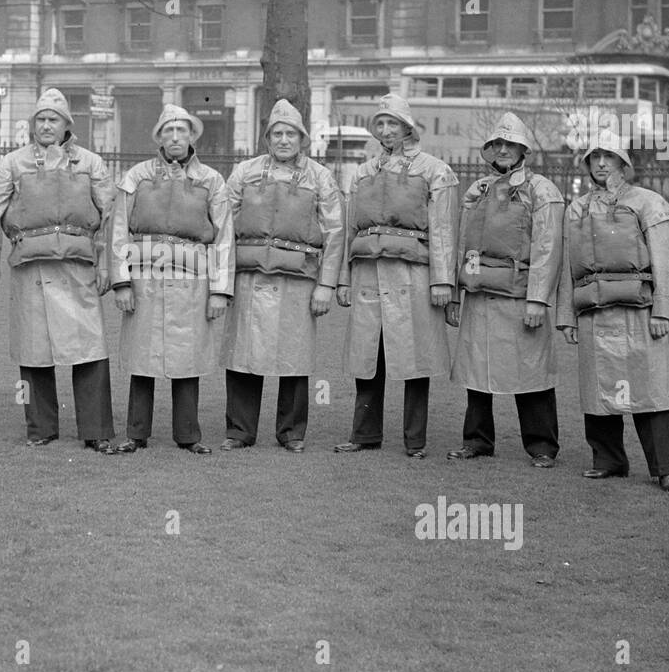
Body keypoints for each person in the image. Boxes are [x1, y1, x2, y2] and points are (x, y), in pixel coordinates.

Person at [0, 88, 118, 453]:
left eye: (53, 119)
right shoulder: (12, 163)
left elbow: (109, 219)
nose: (45, 125)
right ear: (31, 125)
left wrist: (107, 265)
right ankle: (40, 426)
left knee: (90, 348)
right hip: (31, 269)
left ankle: (96, 428)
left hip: (78, 268)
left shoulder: (90, 163)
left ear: (66, 125)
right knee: (33, 349)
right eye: (40, 119)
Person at [557, 128, 669, 492]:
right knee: (598, 391)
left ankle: (665, 469)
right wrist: (566, 316)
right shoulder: (577, 208)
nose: (600, 163)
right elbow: (569, 267)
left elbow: (667, 260)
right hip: (593, 312)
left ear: (623, 162)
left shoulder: (648, 202)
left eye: (608, 156)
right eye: (594, 157)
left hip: (639, 310)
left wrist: (663, 310)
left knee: (651, 390)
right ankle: (608, 460)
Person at [334, 94, 457, 457]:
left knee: (414, 360)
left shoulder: (435, 170)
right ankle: (364, 435)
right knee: (368, 360)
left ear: (407, 126)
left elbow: (444, 230)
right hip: (369, 276)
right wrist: (343, 278)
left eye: (393, 123)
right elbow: (348, 229)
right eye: (380, 124)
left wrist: (442, 281)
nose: (386, 131)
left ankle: (414, 440)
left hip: (412, 278)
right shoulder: (363, 172)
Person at [220, 99, 343, 454]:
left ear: (302, 138)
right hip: (250, 276)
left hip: (298, 279)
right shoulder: (245, 172)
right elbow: (224, 225)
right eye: (277, 133)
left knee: (294, 356)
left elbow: (335, 233)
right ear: (267, 137)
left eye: (291, 133)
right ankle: (240, 430)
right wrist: (222, 281)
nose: (284, 140)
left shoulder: (320, 176)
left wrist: (326, 285)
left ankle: (291, 432)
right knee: (243, 353)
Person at [111, 104, 233, 454]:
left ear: (192, 136)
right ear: (159, 137)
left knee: (187, 358)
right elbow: (119, 230)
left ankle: (188, 436)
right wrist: (121, 282)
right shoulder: (136, 177)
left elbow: (224, 237)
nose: (175, 137)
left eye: (182, 131)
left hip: (191, 283)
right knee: (141, 359)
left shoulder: (211, 180)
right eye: (168, 131)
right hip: (144, 280)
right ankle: (136, 434)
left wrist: (219, 291)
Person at [445, 113, 564, 467]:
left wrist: (538, 300)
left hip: (520, 297)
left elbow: (548, 249)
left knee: (531, 373)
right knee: (477, 373)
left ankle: (542, 446)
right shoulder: (477, 190)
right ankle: (477, 441)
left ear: (523, 149)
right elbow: (460, 242)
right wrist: (455, 294)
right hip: (480, 295)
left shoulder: (541, 191)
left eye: (509, 144)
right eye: (497, 144)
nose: (502, 150)